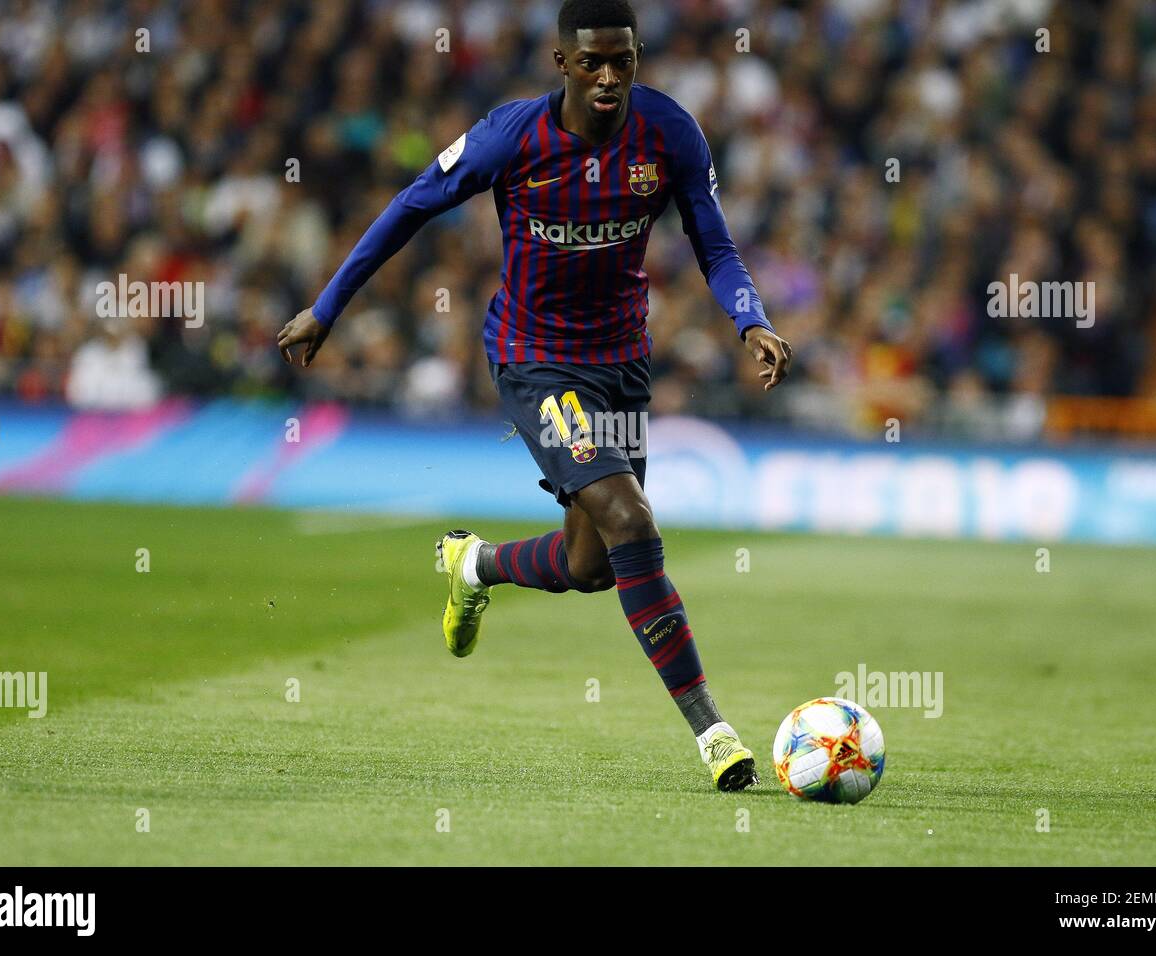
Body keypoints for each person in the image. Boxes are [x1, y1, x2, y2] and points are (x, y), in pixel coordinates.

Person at [278, 0, 792, 791]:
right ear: (563, 64)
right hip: (536, 359)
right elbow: (410, 206)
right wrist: (327, 307)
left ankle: (473, 565)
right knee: (629, 516)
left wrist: (750, 320)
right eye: (593, 63)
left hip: (621, 362)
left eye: (624, 60)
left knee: (594, 563)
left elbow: (713, 242)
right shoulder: (511, 138)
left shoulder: (670, 134)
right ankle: (713, 730)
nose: (610, 77)